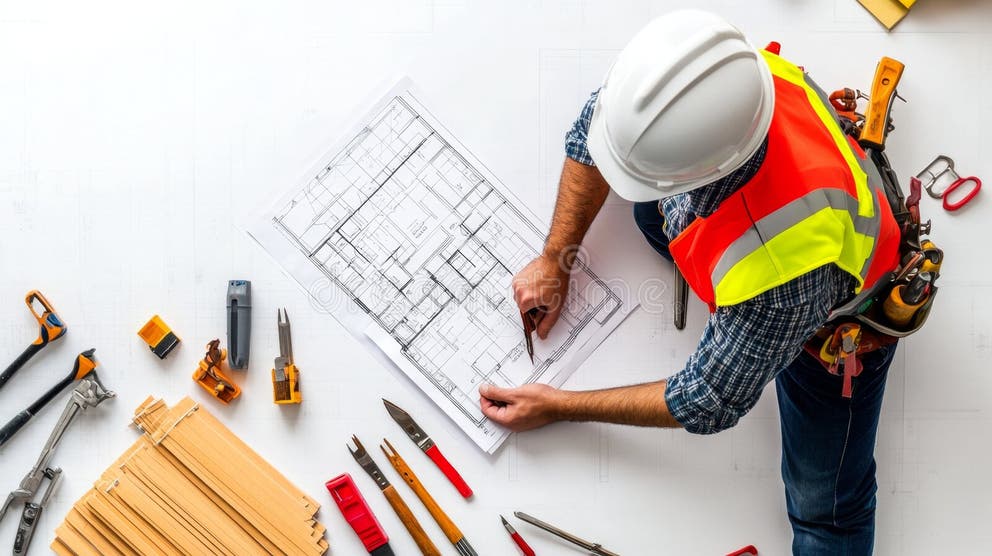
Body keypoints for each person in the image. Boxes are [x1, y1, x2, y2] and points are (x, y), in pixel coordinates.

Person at [477, 10, 904, 555]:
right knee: (649, 218)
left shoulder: (782, 278)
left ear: (703, 175)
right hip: (775, 247)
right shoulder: (711, 75)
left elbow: (707, 400)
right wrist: (555, 257)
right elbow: (597, 127)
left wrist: (560, 404)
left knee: (827, 516)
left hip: (833, 318)